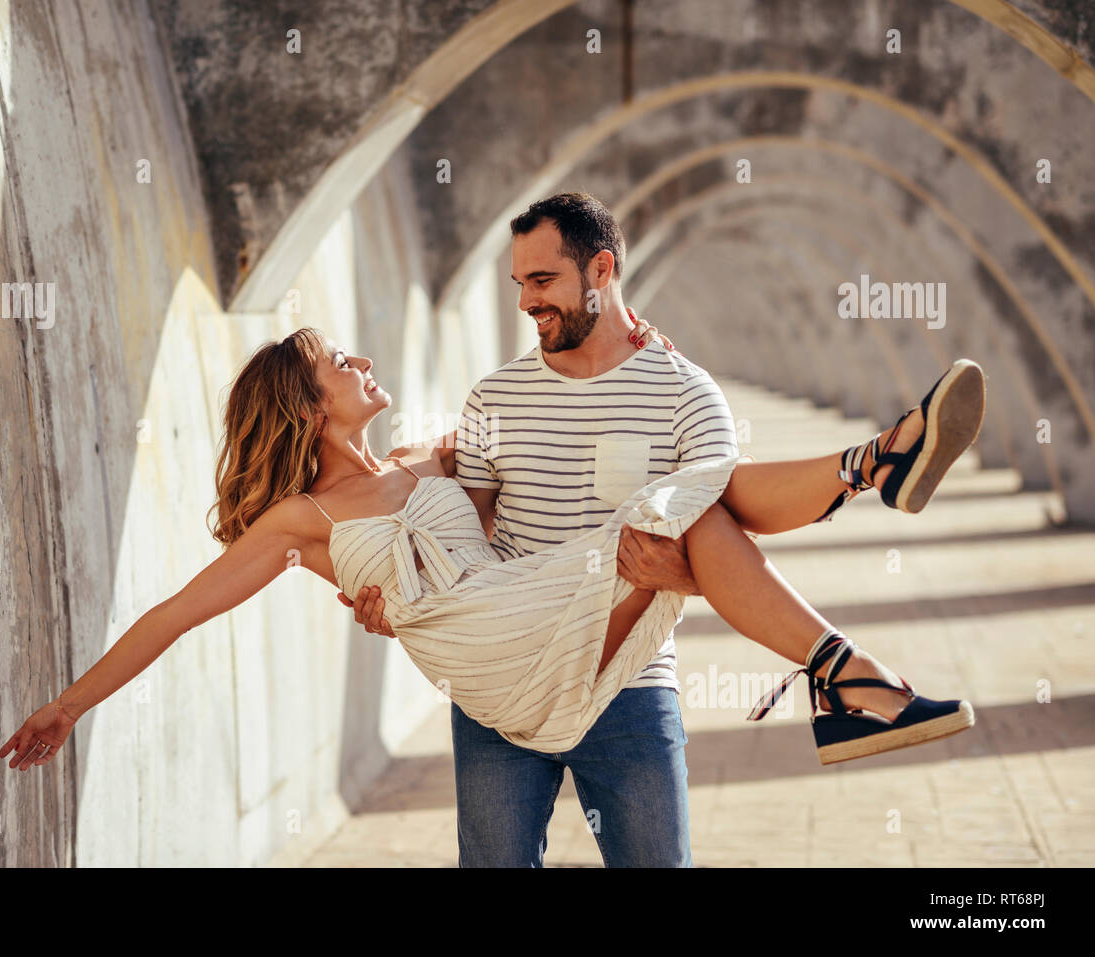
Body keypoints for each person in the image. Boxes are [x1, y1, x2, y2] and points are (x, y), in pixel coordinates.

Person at [338, 192, 984, 867]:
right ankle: (867, 482)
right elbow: (460, 540)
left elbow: (727, 543)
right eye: (519, 284)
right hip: (508, 680)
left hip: (629, 682)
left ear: (601, 269)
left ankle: (868, 484)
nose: (527, 301)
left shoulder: (684, 390)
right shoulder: (494, 397)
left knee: (706, 498)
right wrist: (401, 599)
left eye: (542, 280)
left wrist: (671, 574)